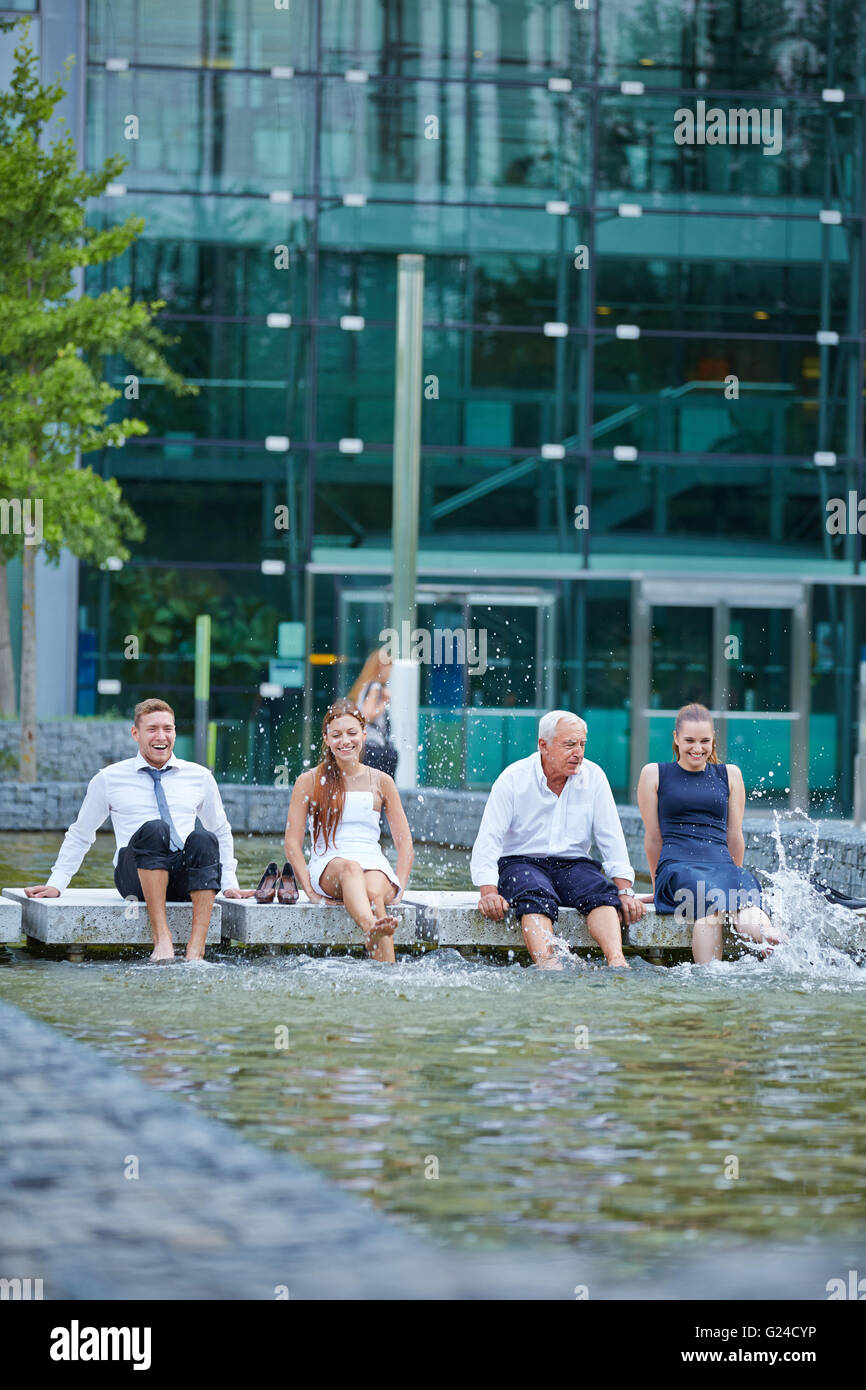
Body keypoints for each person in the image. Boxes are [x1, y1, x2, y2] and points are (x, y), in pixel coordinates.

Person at [24, 698, 253, 961]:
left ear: (175, 733)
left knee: (203, 837)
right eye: (152, 729)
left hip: (182, 876)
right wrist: (57, 883)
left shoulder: (200, 777)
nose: (161, 736)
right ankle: (162, 940)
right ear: (136, 733)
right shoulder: (109, 778)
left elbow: (221, 831)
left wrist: (229, 882)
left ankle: (196, 949)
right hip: (133, 878)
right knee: (155, 829)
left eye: (168, 729)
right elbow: (81, 833)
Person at [471, 710, 645, 969]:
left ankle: (617, 962)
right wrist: (488, 892)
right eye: (569, 744)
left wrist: (625, 891)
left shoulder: (594, 777)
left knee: (601, 892)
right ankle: (549, 965)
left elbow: (612, 837)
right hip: (521, 861)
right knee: (534, 895)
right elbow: (489, 838)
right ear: (544, 745)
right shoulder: (514, 778)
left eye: (582, 744)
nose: (579, 752)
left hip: (574, 863)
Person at [637, 702, 783, 964]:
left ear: (713, 739)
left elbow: (735, 835)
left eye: (705, 740)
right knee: (712, 908)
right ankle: (709, 976)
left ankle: (767, 934)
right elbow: (653, 837)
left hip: (721, 864)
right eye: (690, 740)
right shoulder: (654, 774)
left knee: (745, 904)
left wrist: (732, 876)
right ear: (676, 739)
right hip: (679, 865)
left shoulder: (730, 774)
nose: (697, 748)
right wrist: (659, 884)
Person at [284, 697, 413, 963]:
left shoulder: (382, 781)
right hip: (330, 865)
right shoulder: (308, 781)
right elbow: (292, 843)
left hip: (374, 863)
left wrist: (400, 886)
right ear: (327, 739)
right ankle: (371, 927)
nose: (345, 741)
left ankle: (387, 974)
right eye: (337, 735)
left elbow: (404, 842)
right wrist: (309, 891)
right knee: (351, 868)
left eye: (352, 733)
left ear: (364, 735)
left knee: (375, 891)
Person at [348, 648, 397, 778]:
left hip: (367, 746)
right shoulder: (375, 687)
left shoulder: (366, 686)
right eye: (389, 667)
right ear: (381, 666)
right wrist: (384, 702)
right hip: (373, 746)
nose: (390, 671)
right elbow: (368, 715)